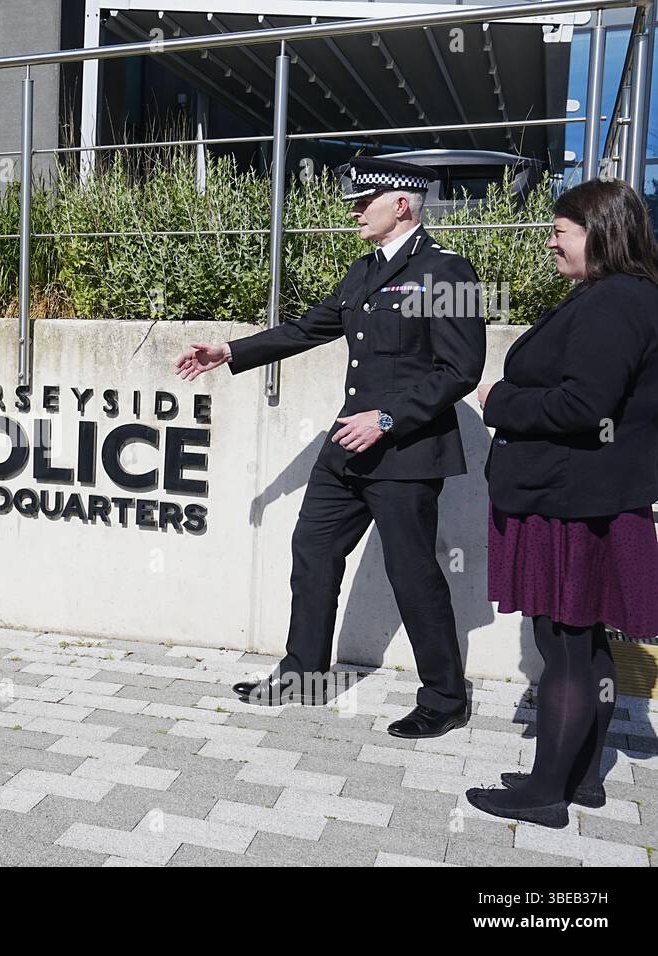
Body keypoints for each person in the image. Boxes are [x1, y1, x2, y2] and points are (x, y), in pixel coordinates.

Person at [175, 156, 486, 738]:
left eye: (362, 201)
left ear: (402, 205)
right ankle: (304, 673)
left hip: (406, 453)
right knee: (312, 549)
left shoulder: (448, 273)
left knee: (412, 572)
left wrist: (388, 418)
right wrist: (231, 352)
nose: (352, 210)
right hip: (348, 448)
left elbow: (462, 369)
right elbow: (308, 328)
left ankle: (446, 697)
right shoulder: (363, 271)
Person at [466, 179, 658, 828]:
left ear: (601, 232)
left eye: (561, 231)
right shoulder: (625, 298)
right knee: (586, 638)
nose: (550, 242)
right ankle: (582, 781)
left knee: (565, 644)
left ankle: (547, 792)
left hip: (570, 501)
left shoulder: (613, 304)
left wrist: (499, 403)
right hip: (584, 495)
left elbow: (584, 405)